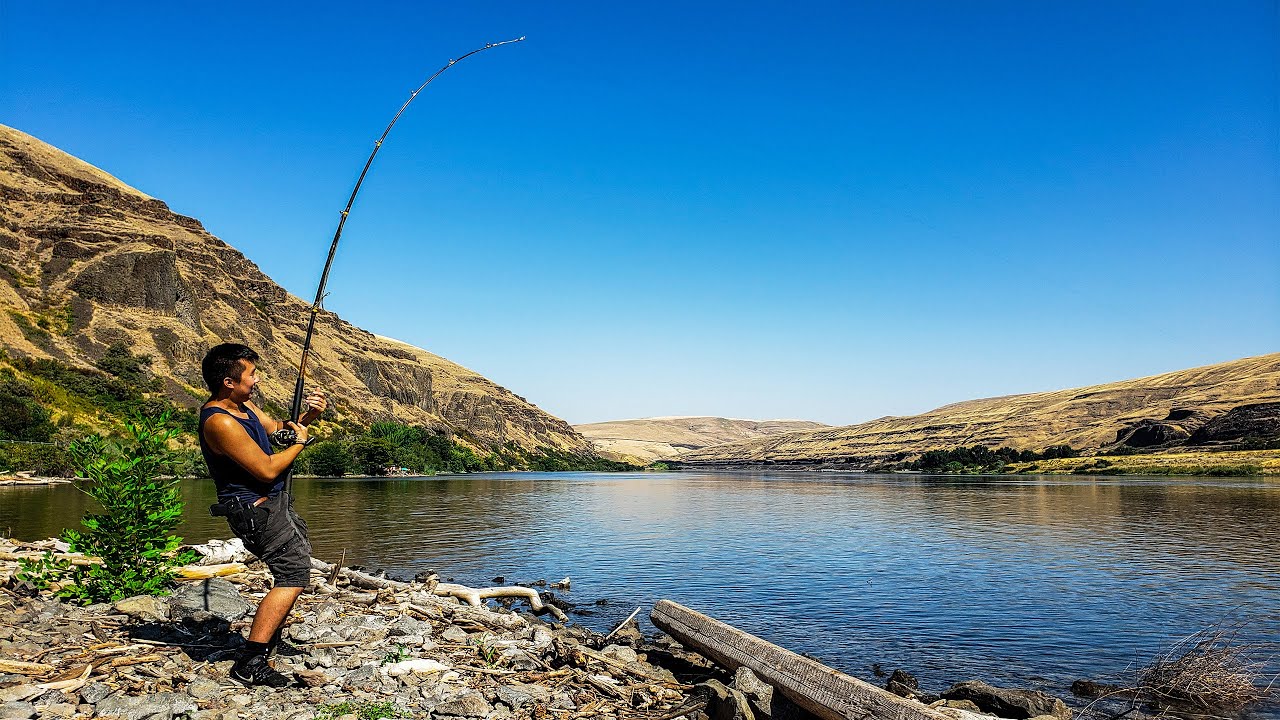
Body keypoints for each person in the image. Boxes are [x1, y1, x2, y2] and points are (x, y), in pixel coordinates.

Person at [198, 343, 326, 687]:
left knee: (296, 566)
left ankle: (270, 640)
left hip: (275, 504)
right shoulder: (219, 422)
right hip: (255, 511)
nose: (256, 380)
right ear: (228, 381)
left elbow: (281, 432)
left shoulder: (244, 406)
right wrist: (301, 444)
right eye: (251, 374)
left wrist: (308, 419)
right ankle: (251, 660)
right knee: (292, 577)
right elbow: (268, 469)